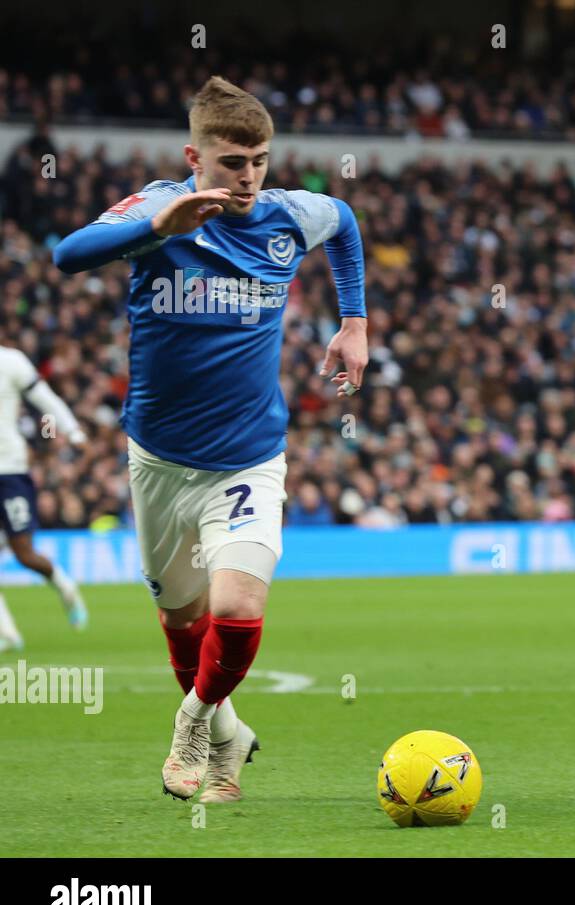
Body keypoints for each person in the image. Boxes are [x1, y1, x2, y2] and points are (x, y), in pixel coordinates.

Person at [53, 77, 368, 802]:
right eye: (233, 162)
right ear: (195, 157)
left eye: (259, 159)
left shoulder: (288, 215)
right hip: (159, 460)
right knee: (183, 622)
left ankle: (194, 719)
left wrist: (354, 322)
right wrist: (158, 229)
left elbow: (344, 222)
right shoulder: (156, 208)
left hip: (250, 458)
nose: (249, 176)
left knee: (235, 609)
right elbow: (69, 255)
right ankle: (229, 735)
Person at [0, 344, 89, 651]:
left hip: (9, 470)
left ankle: (66, 587)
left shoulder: (11, 361)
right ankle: (8, 634)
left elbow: (45, 399)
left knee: (24, 552)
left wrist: (72, 431)